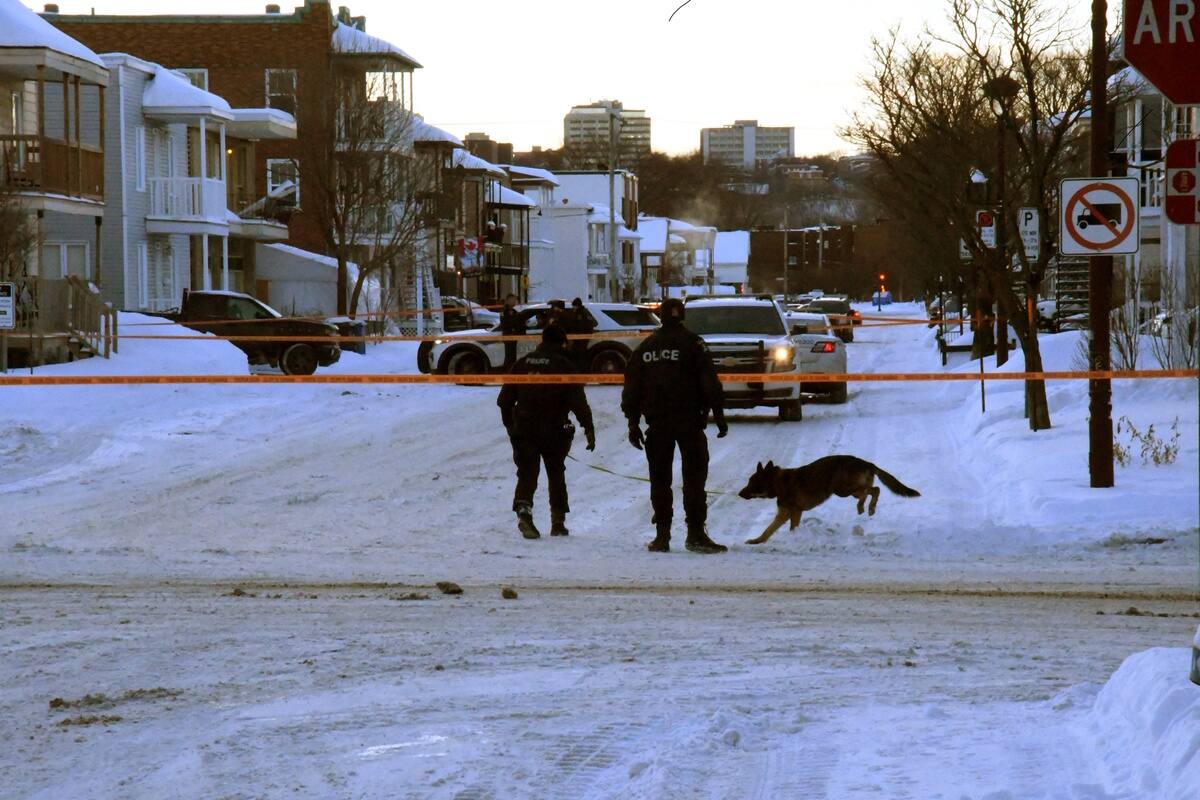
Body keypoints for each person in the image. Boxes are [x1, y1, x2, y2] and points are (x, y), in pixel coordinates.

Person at [621, 298, 729, 554]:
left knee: (660, 481)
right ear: (683, 316)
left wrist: (633, 423)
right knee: (694, 480)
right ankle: (695, 534)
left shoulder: (646, 347)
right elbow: (709, 382)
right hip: (689, 422)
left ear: (659, 315)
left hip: (658, 424)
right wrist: (719, 414)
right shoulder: (693, 343)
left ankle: (662, 536)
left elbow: (631, 388)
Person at [497, 324, 596, 539]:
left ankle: (524, 511)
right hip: (554, 428)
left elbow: (504, 400)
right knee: (556, 473)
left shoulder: (523, 363)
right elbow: (578, 400)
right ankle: (558, 521)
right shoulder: (565, 364)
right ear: (563, 342)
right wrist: (588, 426)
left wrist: (511, 427)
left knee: (527, 473)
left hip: (524, 427)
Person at [567, 297, 597, 369]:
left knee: (580, 354)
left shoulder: (581, 313)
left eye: (574, 306)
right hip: (581, 338)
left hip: (581, 338)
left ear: (577, 305)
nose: (573, 307)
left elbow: (586, 325)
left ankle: (582, 368)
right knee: (580, 353)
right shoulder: (582, 312)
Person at [499, 293, 524, 372]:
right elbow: (505, 323)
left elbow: (520, 323)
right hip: (508, 336)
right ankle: (507, 371)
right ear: (508, 300)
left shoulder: (515, 311)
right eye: (513, 300)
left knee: (513, 356)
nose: (514, 301)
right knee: (509, 356)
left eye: (515, 300)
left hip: (515, 337)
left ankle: (512, 371)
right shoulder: (504, 311)